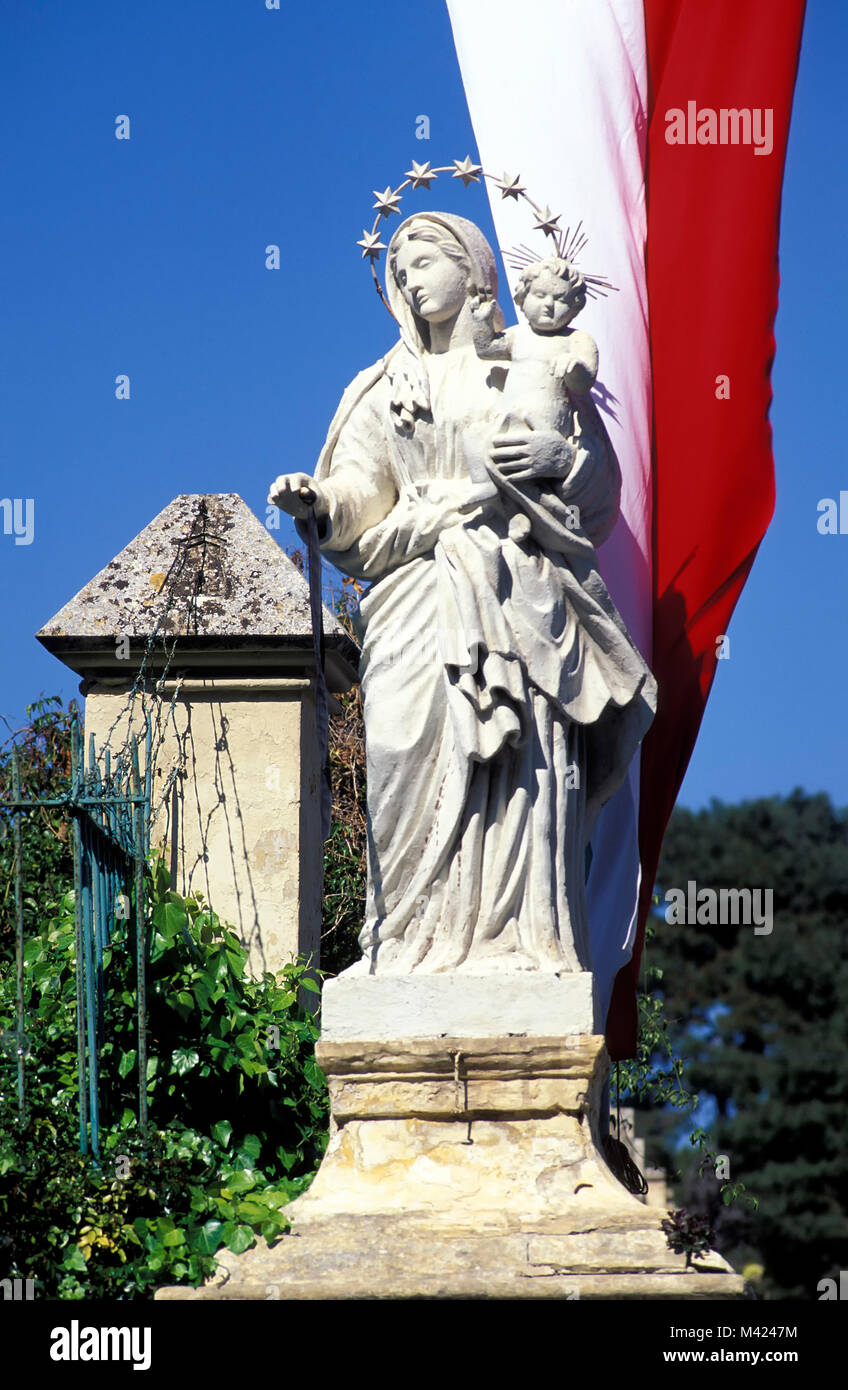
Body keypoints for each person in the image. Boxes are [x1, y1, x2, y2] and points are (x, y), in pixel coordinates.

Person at [268, 211, 656, 976]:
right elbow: (361, 488)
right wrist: (320, 502)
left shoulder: (525, 366)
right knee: (399, 747)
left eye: (425, 259)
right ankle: (403, 940)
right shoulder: (383, 386)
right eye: (401, 265)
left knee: (520, 767)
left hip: (515, 592)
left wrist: (561, 454)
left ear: (474, 270)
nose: (410, 275)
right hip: (415, 588)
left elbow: (597, 493)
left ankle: (516, 940)